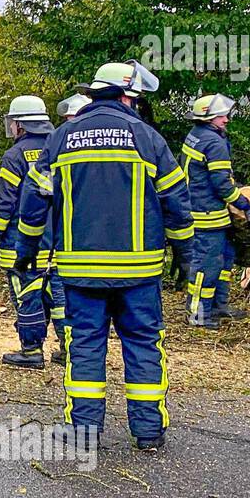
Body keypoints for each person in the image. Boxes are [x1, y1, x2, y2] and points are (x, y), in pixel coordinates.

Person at [15, 61, 194, 450]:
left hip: (81, 271)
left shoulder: (61, 138)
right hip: (140, 272)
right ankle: (148, 433)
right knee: (144, 343)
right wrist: (186, 256)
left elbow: (34, 201)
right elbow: (177, 202)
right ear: (128, 96)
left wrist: (26, 251)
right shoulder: (148, 139)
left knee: (84, 345)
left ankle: (83, 432)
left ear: (95, 93)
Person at [0, 97, 65, 367]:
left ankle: (30, 351)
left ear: (21, 125)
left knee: (27, 296)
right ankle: (70, 350)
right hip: (58, 244)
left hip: (21, 243)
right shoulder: (60, 148)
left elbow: (5, 205)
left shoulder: (14, 156)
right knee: (60, 297)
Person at [180, 94, 250, 327]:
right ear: (209, 118)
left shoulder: (197, 135)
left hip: (202, 208)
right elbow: (222, 184)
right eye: (221, 116)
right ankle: (198, 314)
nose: (226, 119)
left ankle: (219, 306)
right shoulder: (213, 142)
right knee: (207, 265)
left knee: (225, 259)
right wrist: (246, 205)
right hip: (207, 213)